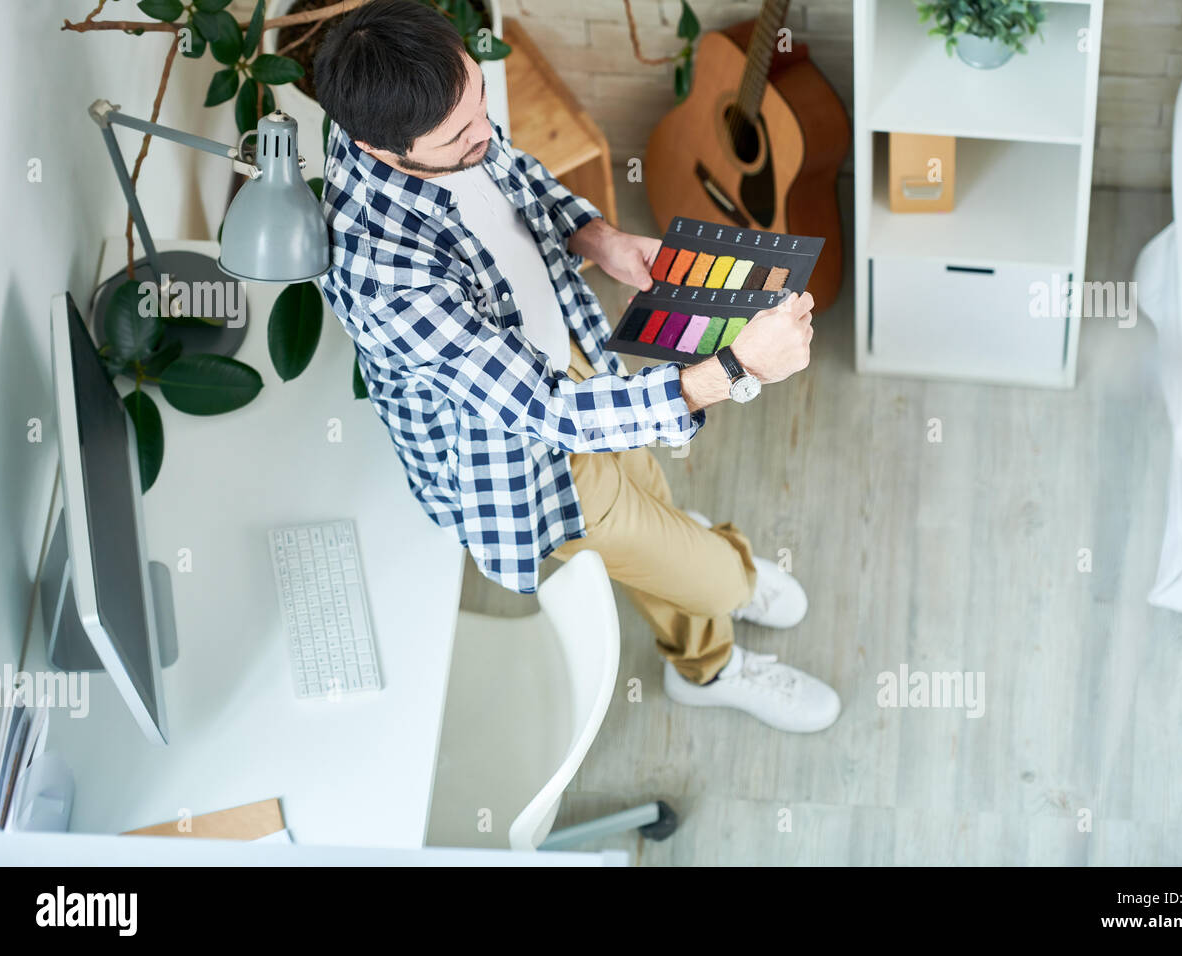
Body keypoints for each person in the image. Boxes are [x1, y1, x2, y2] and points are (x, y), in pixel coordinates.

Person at [313, 0, 839, 732]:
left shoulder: (420, 108)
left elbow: (514, 176)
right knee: (708, 575)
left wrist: (596, 237)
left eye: (480, 105)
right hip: (528, 457)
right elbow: (547, 414)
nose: (486, 134)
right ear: (378, 150)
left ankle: (702, 645)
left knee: (653, 500)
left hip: (566, 353)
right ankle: (723, 616)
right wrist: (737, 365)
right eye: (462, 135)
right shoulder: (384, 275)